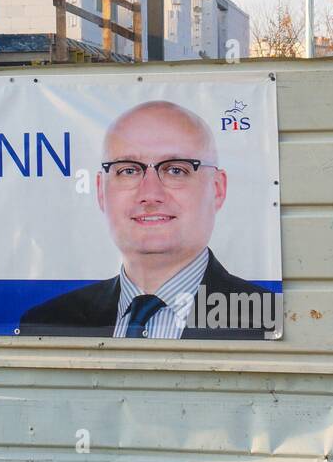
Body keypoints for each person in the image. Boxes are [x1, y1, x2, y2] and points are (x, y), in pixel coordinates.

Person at [19, 100, 274, 339]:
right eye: (128, 170)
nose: (150, 195)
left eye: (176, 170)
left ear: (217, 189)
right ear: (100, 191)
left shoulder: (268, 320)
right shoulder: (48, 322)